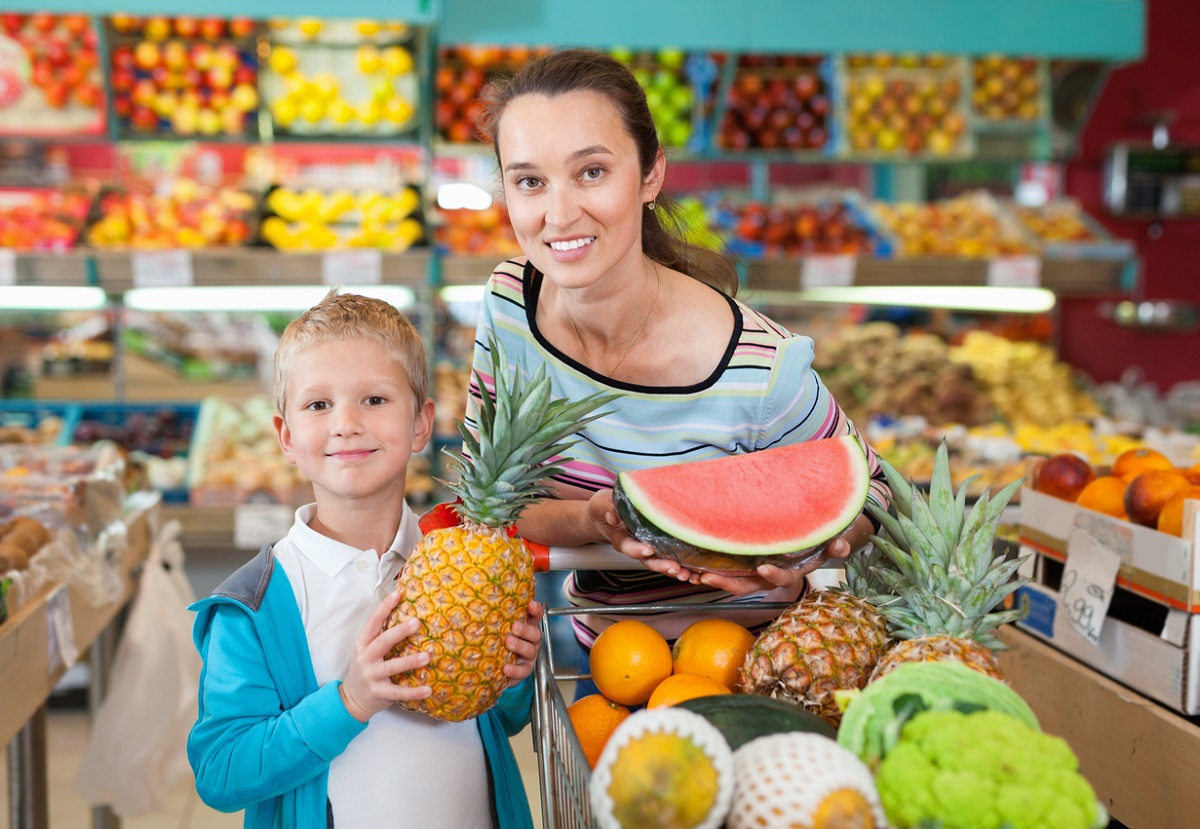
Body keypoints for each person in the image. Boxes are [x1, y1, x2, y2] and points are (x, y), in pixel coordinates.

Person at [467, 48, 892, 678]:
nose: (558, 214)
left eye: (591, 172)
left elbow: (874, 490)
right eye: (530, 181)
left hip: (761, 669)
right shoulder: (509, 305)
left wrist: (826, 544)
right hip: (605, 661)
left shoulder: (760, 365)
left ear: (650, 174)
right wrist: (593, 518)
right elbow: (496, 503)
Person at [187, 291, 542, 829]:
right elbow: (220, 771)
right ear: (285, 435)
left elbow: (499, 722)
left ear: (422, 424)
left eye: (374, 400)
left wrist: (513, 678)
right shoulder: (254, 604)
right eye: (318, 405)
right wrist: (349, 701)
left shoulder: (463, 567)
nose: (346, 423)